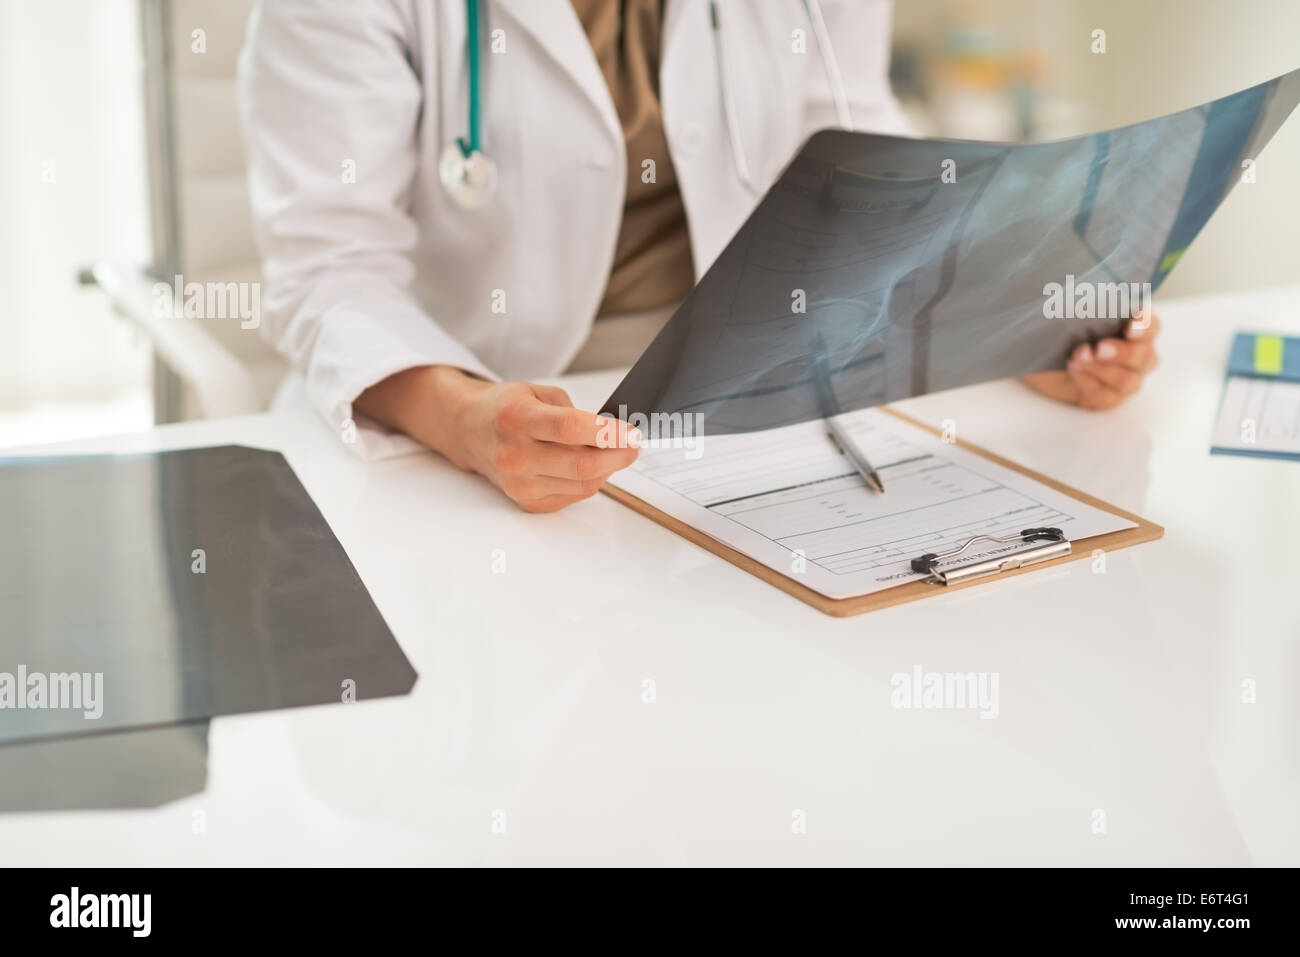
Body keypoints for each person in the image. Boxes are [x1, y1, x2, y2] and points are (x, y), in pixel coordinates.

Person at [237, 0, 1159, 513]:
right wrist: (470, 418)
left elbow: (859, 165)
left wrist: (1010, 325)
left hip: (736, 403)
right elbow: (329, 262)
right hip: (455, 403)